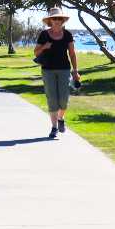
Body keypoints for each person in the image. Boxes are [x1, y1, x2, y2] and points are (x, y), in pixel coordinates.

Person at [33, 9, 79, 138]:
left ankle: (61, 118)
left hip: (64, 69)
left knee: (64, 99)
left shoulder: (68, 35)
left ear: (63, 21)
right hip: (48, 70)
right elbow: (36, 53)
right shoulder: (44, 35)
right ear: (50, 21)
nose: (57, 21)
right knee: (52, 98)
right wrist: (44, 47)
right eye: (54, 19)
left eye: (59, 19)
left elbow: (72, 54)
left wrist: (75, 71)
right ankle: (54, 128)